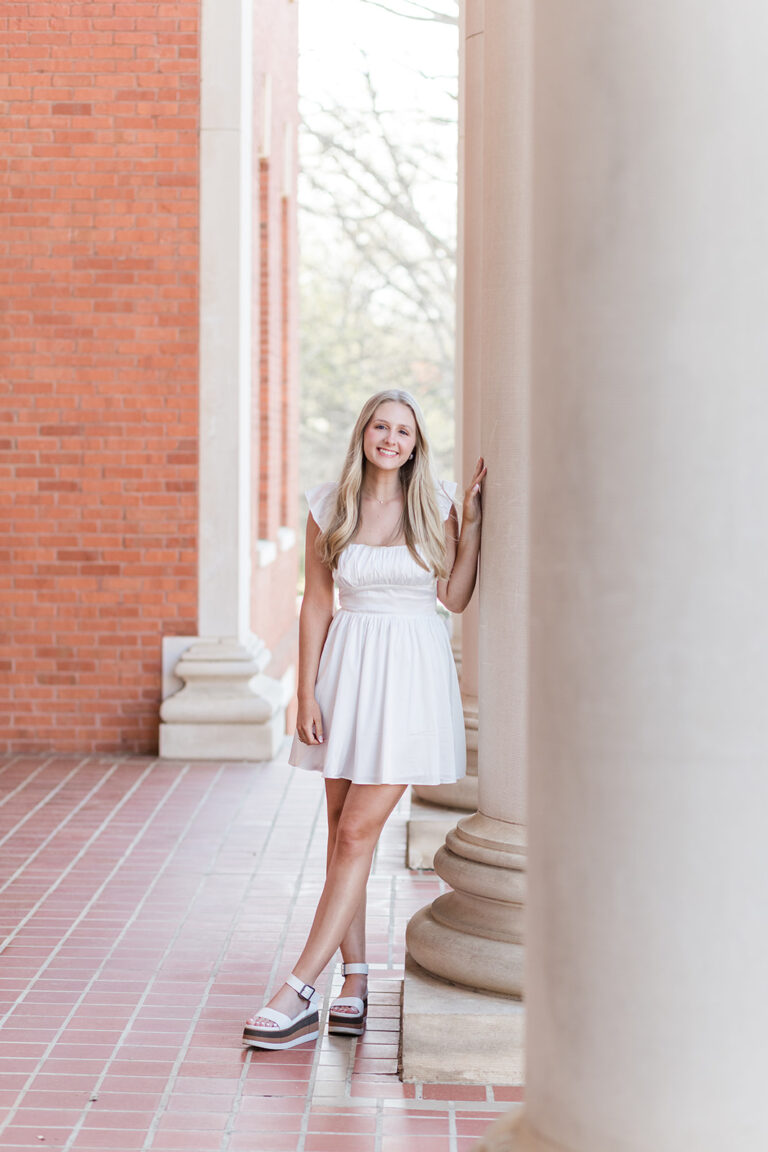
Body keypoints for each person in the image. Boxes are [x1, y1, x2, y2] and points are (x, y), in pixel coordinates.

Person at [242, 389, 485, 1050]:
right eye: (381, 426)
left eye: (403, 430)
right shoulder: (330, 505)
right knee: (340, 836)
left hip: (410, 680)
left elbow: (454, 596)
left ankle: (299, 989)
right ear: (364, 433)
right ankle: (355, 978)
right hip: (347, 674)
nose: (391, 439)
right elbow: (316, 605)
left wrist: (472, 525)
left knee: (356, 833)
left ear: (415, 443)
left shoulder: (437, 502)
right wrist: (306, 694)